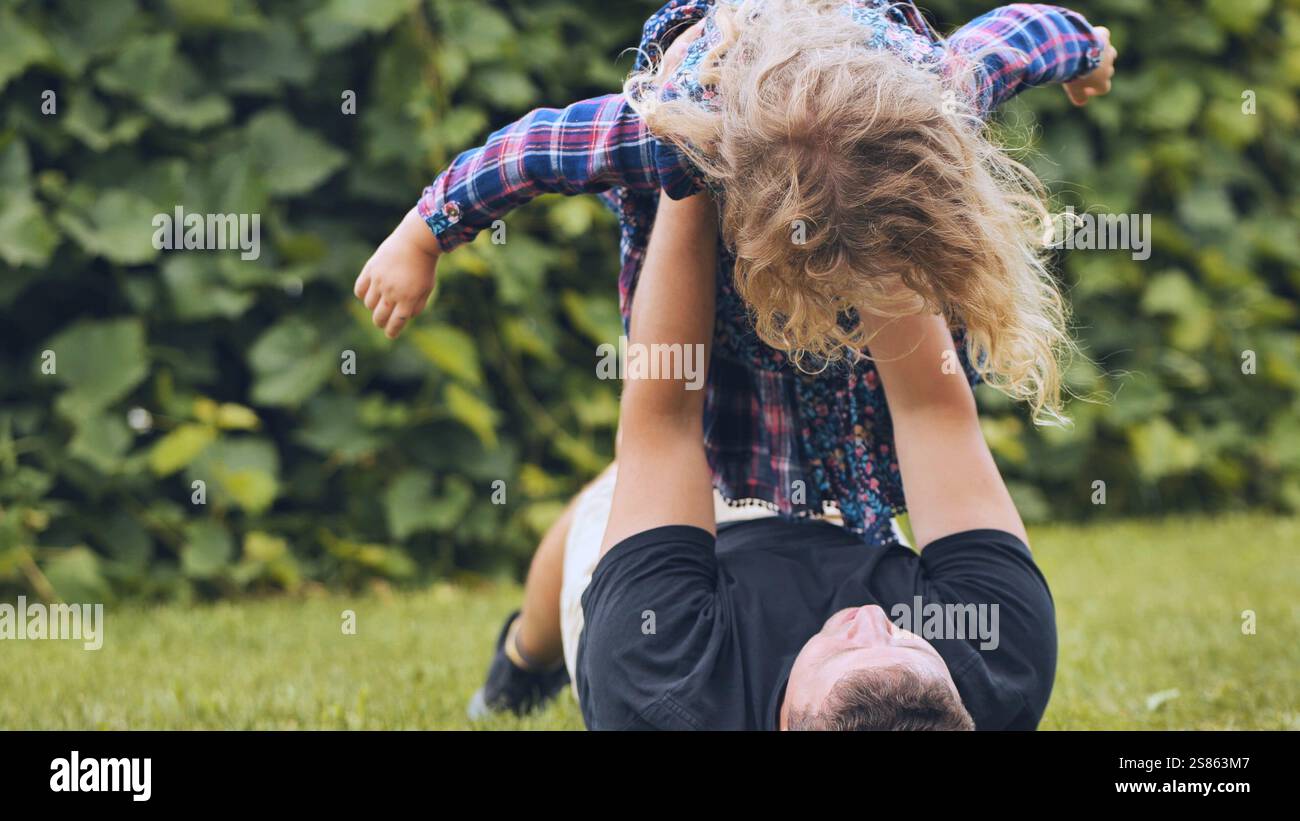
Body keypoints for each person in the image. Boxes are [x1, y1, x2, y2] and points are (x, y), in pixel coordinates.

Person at [355, 0, 1119, 547]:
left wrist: (1089, 50)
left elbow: (1028, 33)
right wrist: (422, 234)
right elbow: (533, 151)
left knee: (857, 431)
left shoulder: (937, 95)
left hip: (865, 230)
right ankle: (533, 646)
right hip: (726, 310)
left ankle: (849, 531)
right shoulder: (677, 135)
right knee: (713, 450)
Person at [471, 190, 1057, 730]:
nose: (875, 622)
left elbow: (663, 425)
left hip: (692, 598)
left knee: (614, 490)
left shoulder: (659, 686)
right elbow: (933, 411)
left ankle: (522, 660)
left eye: (850, 649)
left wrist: (685, 176)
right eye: (909, 644)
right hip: (839, 522)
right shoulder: (997, 658)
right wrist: (867, 178)